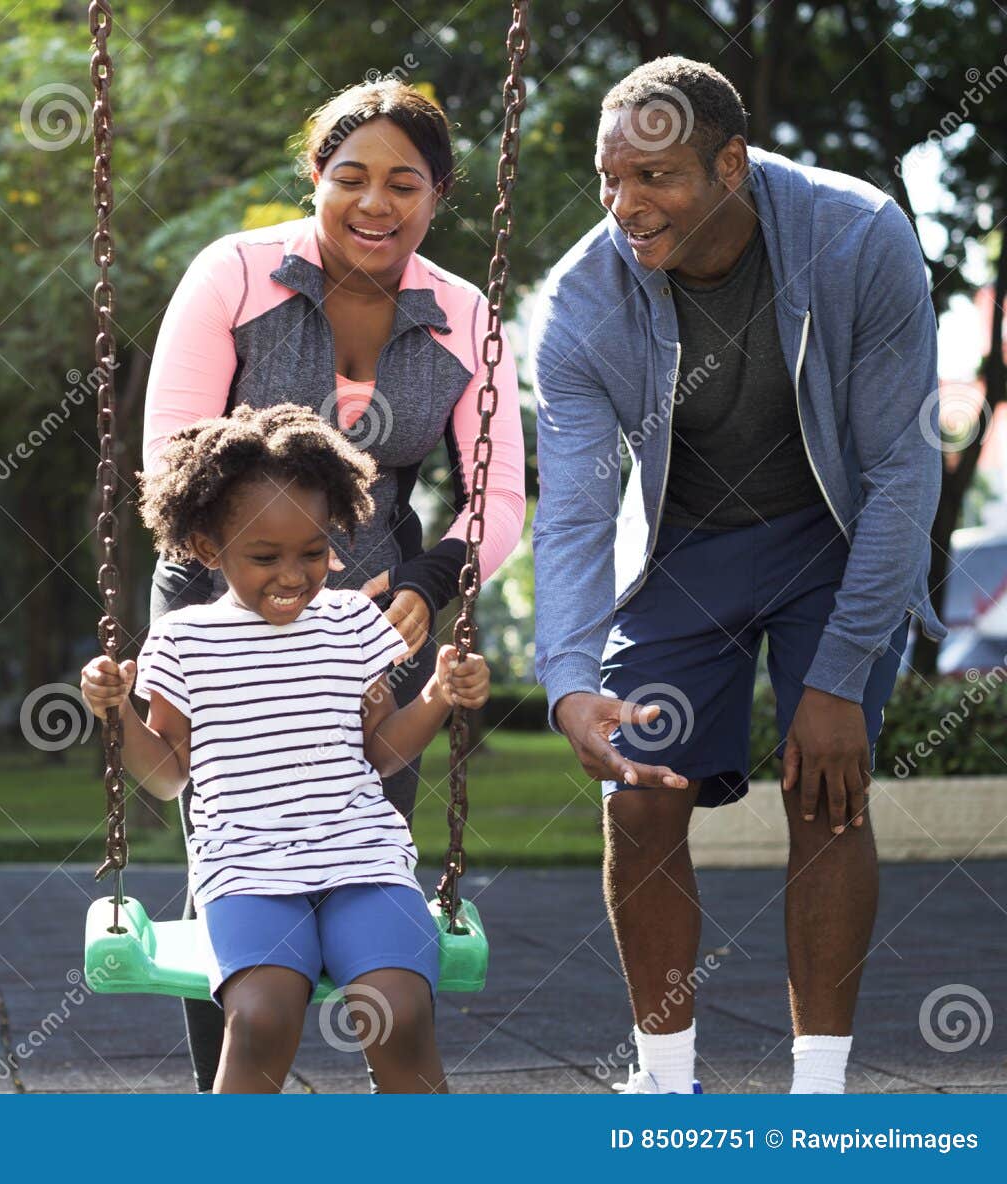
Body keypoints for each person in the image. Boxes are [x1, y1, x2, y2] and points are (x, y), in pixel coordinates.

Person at [529, 56, 945, 1094]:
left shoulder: (857, 236)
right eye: (608, 179)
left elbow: (901, 467)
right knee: (640, 788)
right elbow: (577, 511)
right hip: (683, 549)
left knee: (827, 791)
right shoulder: (581, 303)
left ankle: (820, 1090)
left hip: (832, 539)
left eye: (654, 178)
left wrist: (839, 676)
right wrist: (569, 680)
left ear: (730, 163)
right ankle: (665, 1076)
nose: (626, 206)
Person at [143, 76, 525, 1091]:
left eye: (404, 182)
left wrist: (433, 576)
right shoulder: (232, 275)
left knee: (364, 824)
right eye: (349, 176)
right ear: (314, 177)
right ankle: (229, 1086)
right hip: (214, 585)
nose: (374, 202)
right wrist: (239, 612)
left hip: (376, 605)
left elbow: (498, 495)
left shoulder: (463, 314)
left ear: (438, 195)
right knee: (232, 836)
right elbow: (169, 462)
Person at [81, 403, 491, 1093]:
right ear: (211, 550)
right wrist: (117, 717)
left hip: (360, 858)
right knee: (264, 1016)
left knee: (397, 1009)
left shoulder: (353, 623)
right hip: (246, 869)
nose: (293, 576)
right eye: (264, 557)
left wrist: (439, 697)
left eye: (312, 552)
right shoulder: (185, 643)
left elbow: (383, 753)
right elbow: (168, 777)